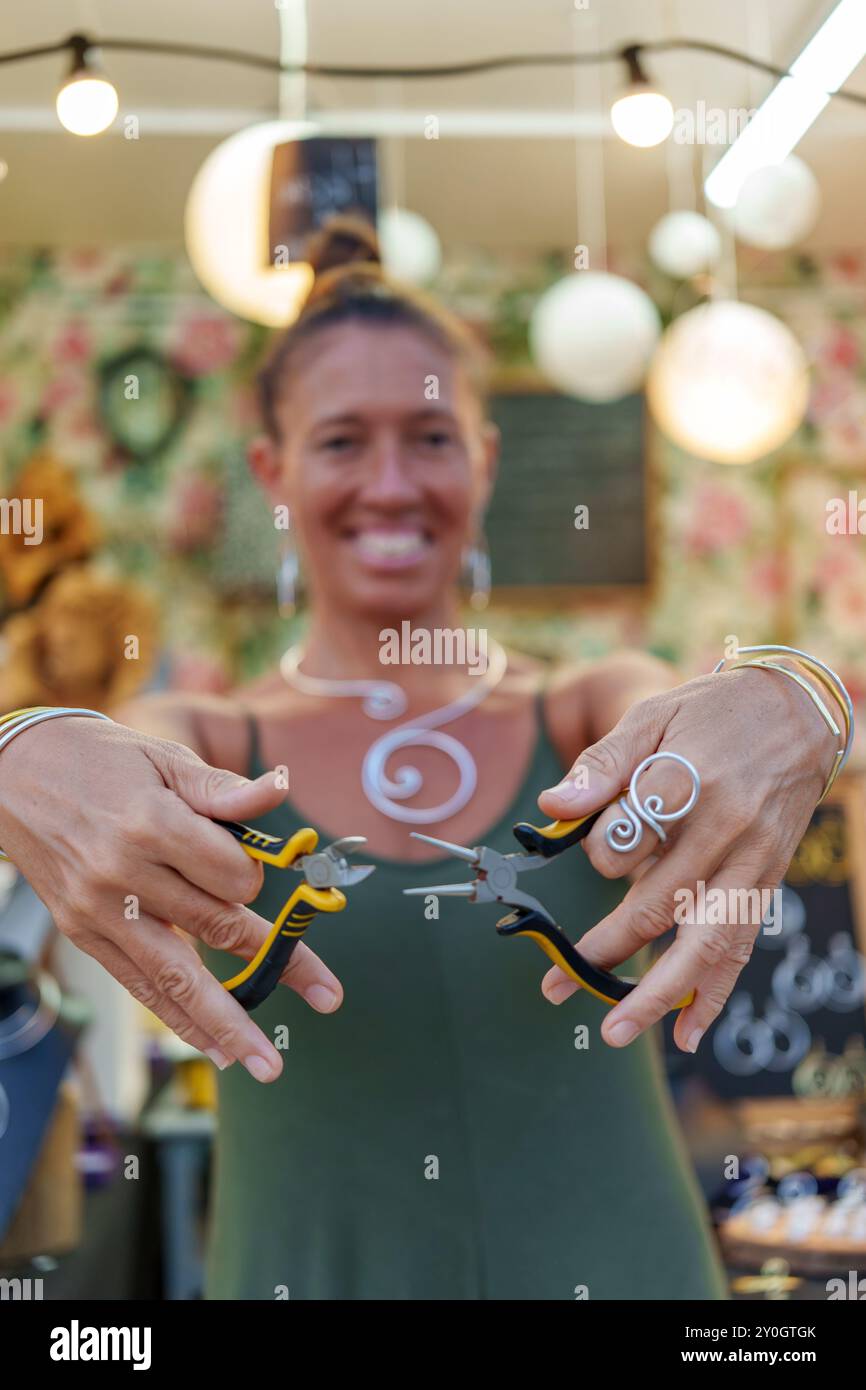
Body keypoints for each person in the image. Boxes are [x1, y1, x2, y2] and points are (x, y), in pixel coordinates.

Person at [0, 220, 842, 1300]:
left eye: (432, 438)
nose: (391, 484)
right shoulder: (211, 739)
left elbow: (682, 716)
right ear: (274, 470)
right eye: (343, 440)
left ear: (484, 461)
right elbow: (119, 758)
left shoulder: (583, 707)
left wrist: (790, 698)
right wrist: (22, 748)